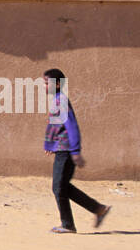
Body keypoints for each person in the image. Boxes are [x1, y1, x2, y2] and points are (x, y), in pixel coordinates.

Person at [42, 68, 111, 234]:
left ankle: (68, 224)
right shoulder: (58, 100)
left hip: (66, 151)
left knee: (58, 187)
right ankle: (98, 209)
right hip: (62, 149)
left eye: (47, 83)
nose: (44, 86)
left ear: (57, 84)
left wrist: (75, 151)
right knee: (61, 187)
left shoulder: (61, 101)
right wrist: (51, 145)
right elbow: (56, 126)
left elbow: (71, 126)